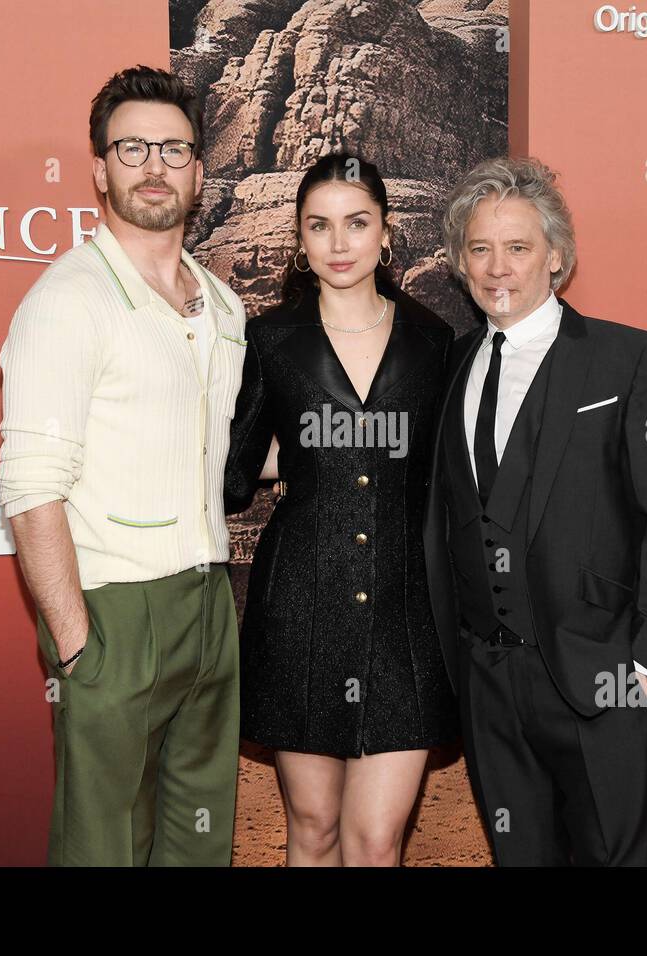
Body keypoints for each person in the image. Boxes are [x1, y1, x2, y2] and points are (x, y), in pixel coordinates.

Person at [423, 156, 647, 865]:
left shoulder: (627, 359)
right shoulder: (450, 365)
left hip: (599, 672)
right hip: (488, 685)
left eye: (518, 248)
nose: (498, 268)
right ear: (460, 262)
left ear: (555, 256)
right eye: (480, 249)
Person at [0, 65, 247, 866]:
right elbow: (32, 488)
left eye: (174, 148)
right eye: (131, 146)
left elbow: (223, 442)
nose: (154, 166)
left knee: (198, 842)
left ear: (200, 170)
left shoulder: (221, 302)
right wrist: (77, 647)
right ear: (100, 168)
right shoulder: (68, 300)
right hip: (114, 613)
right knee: (103, 848)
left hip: (210, 603)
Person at [224, 152, 460, 866]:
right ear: (299, 239)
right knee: (315, 831)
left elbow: (444, 476)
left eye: (356, 223)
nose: (338, 243)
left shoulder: (433, 342)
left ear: (386, 233)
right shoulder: (270, 340)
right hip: (300, 609)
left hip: (404, 617)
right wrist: (303, 457)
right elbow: (234, 475)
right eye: (319, 226)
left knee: (375, 840)